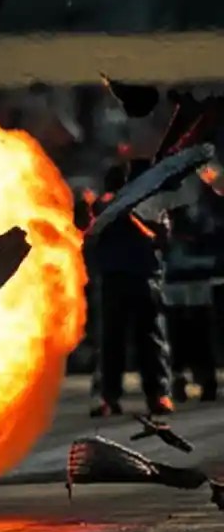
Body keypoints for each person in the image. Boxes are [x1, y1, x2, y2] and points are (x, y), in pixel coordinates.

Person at [87, 161, 175, 417]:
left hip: (145, 276)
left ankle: (158, 394)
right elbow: (89, 234)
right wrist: (108, 210)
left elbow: (161, 238)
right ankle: (107, 396)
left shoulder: (151, 205)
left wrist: (131, 215)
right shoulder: (102, 207)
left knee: (150, 339)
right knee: (110, 341)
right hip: (113, 277)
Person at [164, 201, 218, 402]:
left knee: (188, 336)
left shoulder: (201, 221)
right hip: (184, 287)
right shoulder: (200, 220)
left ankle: (196, 380)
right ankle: (196, 380)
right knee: (190, 336)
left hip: (189, 287)